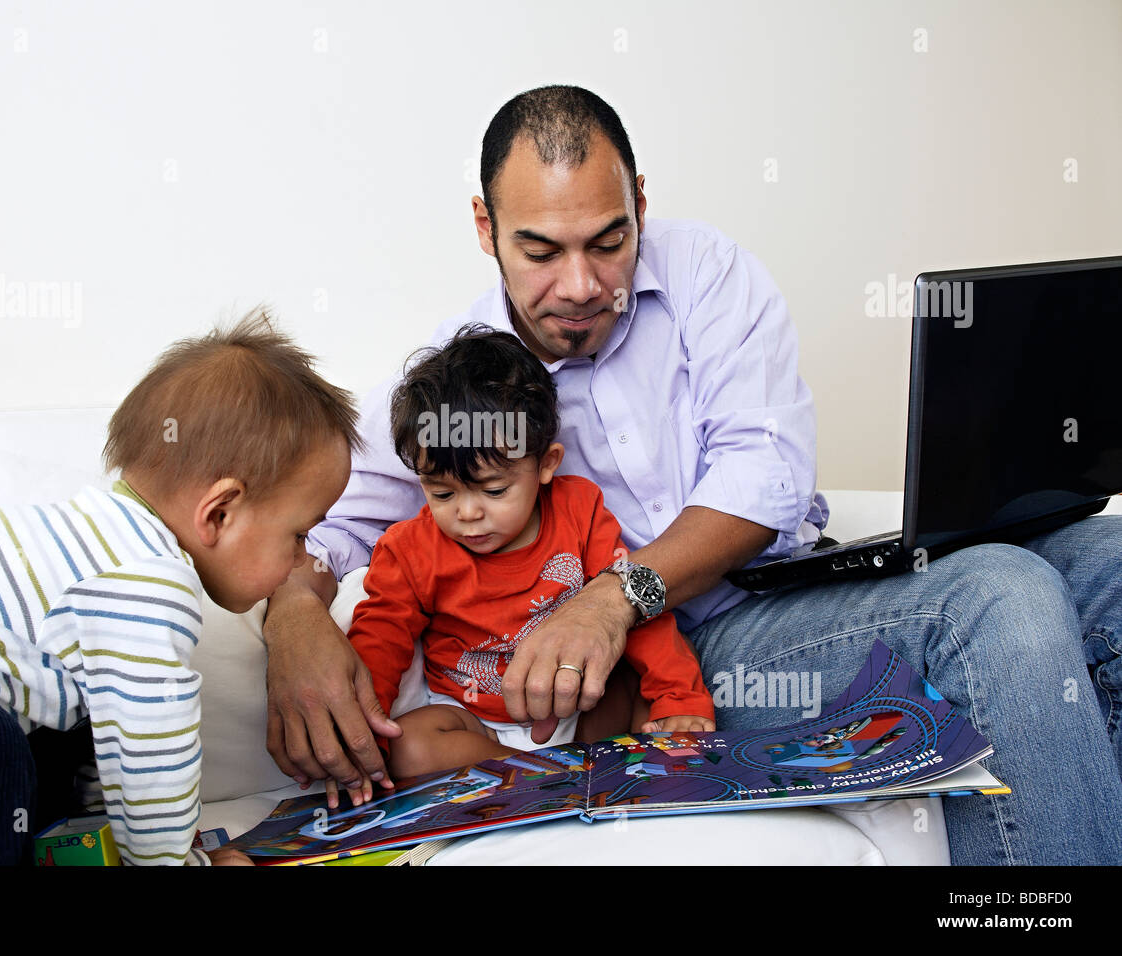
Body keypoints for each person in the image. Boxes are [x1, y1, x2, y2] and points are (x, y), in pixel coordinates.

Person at [264, 85, 1122, 864]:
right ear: (486, 228)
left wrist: (610, 596)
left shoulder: (706, 271)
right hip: (690, 649)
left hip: (791, 584)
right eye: (541, 251)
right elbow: (325, 526)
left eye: (609, 242)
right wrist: (296, 614)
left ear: (640, 204)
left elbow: (765, 473)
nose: (581, 285)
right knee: (1000, 596)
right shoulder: (461, 387)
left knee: (1112, 565)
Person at [0, 311, 355, 865]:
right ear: (219, 513)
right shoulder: (147, 576)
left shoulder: (94, 548)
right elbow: (149, 749)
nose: (303, 557)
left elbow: (108, 748)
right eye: (299, 534)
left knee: (37, 753)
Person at [347, 328, 714, 779]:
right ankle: (543, 778)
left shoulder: (579, 510)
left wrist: (679, 700)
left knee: (641, 685)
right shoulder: (409, 550)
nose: (467, 513)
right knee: (411, 749)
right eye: (441, 493)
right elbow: (379, 642)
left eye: (494, 490)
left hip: (581, 707)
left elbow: (634, 611)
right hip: (474, 723)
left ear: (546, 464)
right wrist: (361, 736)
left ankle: (572, 777)